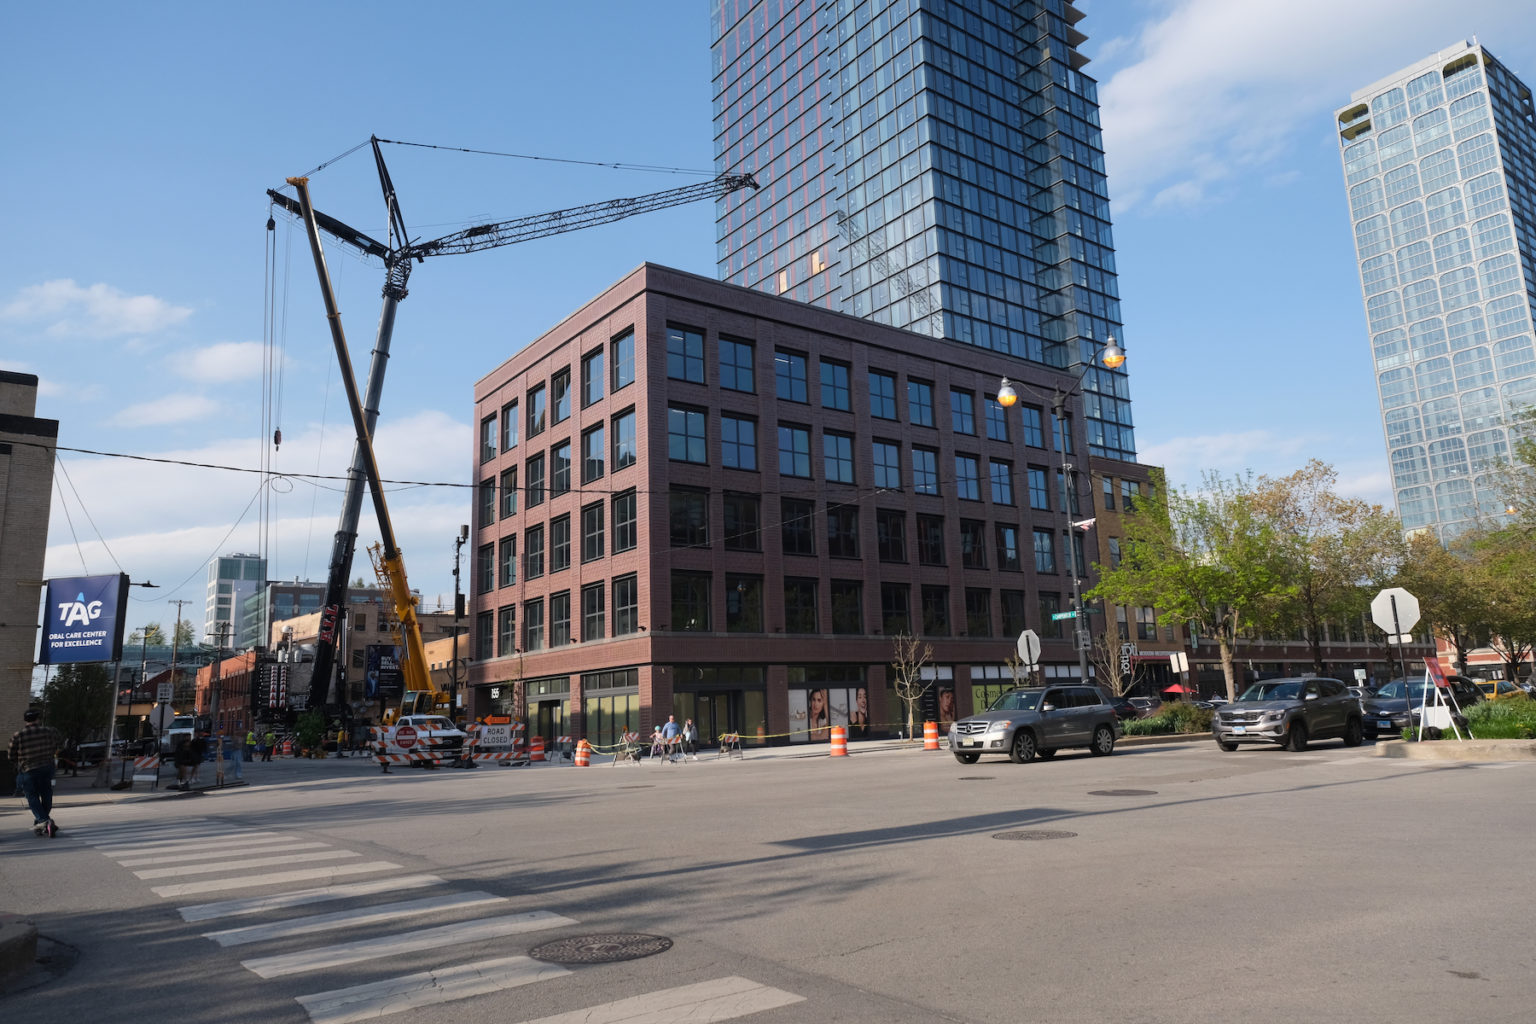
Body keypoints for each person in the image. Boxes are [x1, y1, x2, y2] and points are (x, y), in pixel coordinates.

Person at [9, 708, 62, 837]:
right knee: (46, 793)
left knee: (32, 796)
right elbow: (60, 745)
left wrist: (19, 762)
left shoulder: (18, 735)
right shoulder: (51, 731)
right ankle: (41, 822)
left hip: (29, 769)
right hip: (47, 767)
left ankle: (43, 821)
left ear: (25, 720)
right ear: (38, 719)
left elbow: (11, 755)